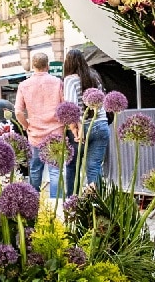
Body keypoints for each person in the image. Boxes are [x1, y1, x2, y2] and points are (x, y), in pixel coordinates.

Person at [15, 52, 66, 196]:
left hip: (35, 135)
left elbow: (18, 112)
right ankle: (57, 208)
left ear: (32, 66)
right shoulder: (57, 82)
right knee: (55, 171)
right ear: (47, 65)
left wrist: (26, 126)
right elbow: (65, 107)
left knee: (35, 170)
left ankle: (33, 205)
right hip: (56, 133)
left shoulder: (24, 85)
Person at [59, 48, 110, 192]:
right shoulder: (95, 77)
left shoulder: (70, 80)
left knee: (72, 167)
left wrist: (77, 129)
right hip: (101, 124)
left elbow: (72, 107)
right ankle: (96, 204)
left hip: (83, 127)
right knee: (94, 167)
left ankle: (72, 202)